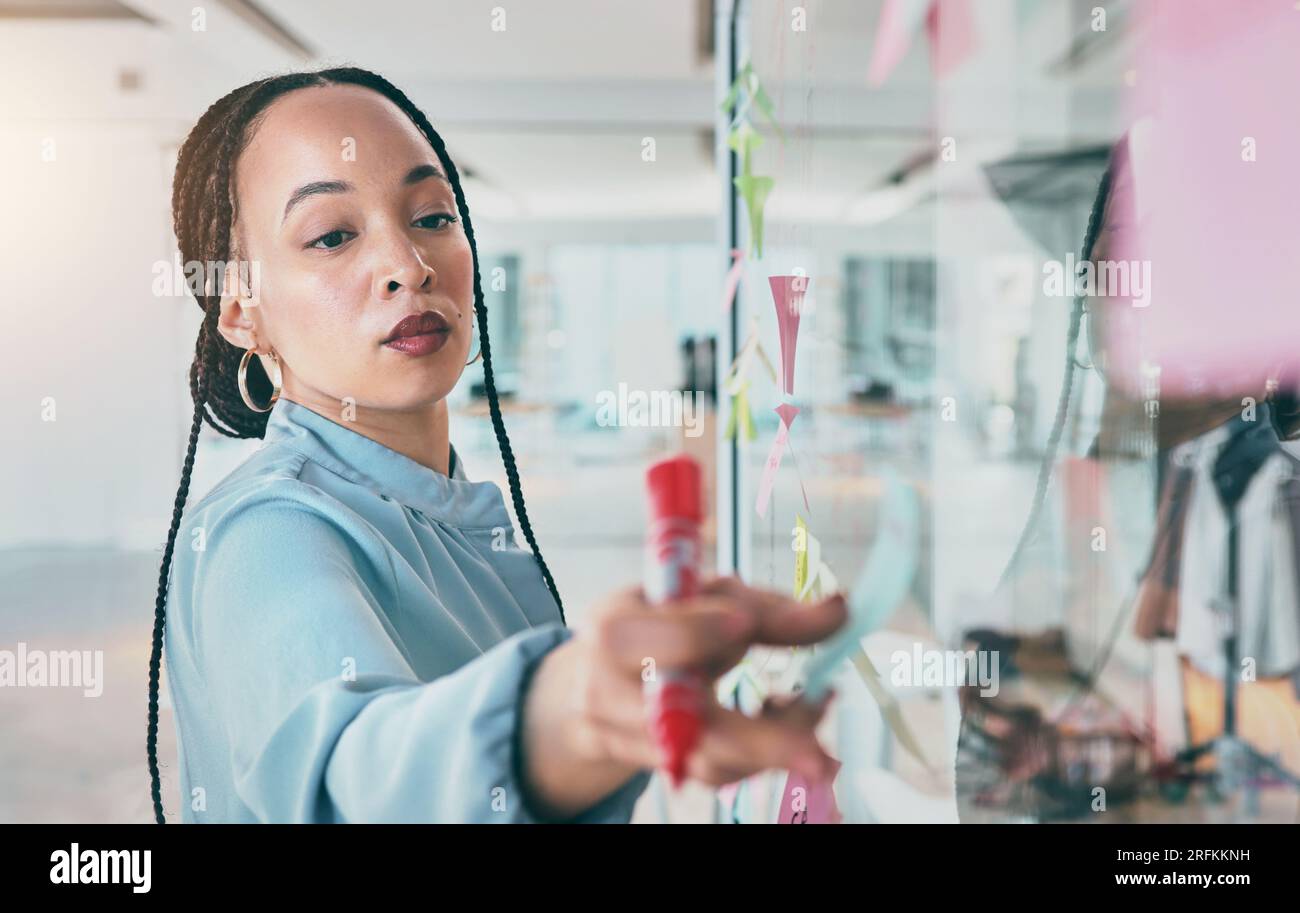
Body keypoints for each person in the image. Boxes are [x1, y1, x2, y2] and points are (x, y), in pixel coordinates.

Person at [148, 67, 846, 824]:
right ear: (244, 314)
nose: (409, 266)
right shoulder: (266, 530)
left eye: (431, 217)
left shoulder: (450, 508)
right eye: (333, 235)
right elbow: (357, 778)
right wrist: (578, 711)